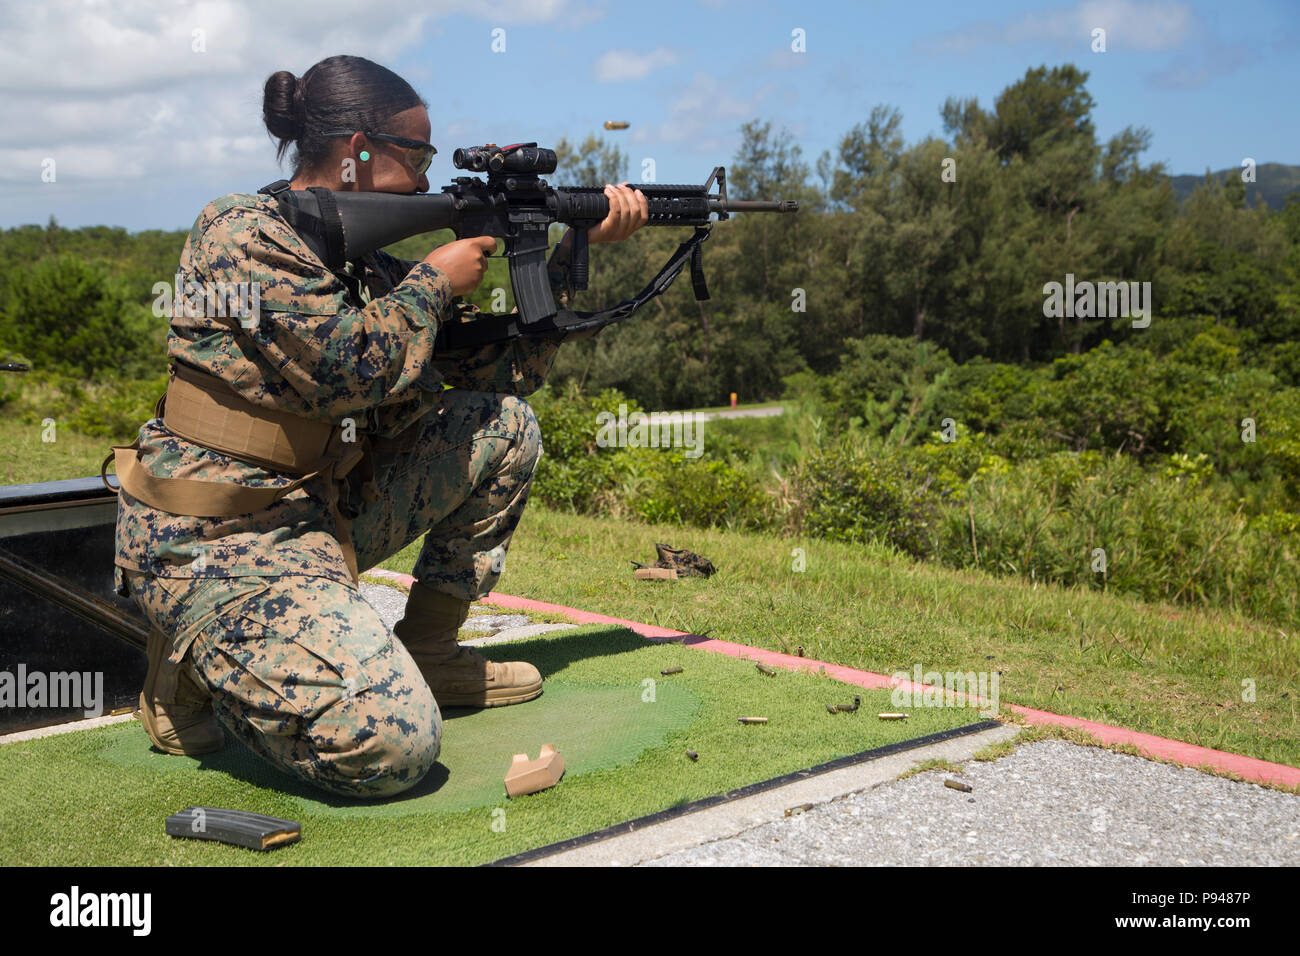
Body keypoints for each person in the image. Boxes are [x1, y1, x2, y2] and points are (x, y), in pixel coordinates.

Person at [110, 54, 647, 799]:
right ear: (360, 151)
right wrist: (434, 281)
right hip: (212, 538)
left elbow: (491, 380)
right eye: (419, 155)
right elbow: (346, 369)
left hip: (312, 512)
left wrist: (560, 262)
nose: (428, 180)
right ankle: (185, 668)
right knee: (392, 748)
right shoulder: (239, 233)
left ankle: (427, 646)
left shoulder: (370, 266)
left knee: (503, 428)